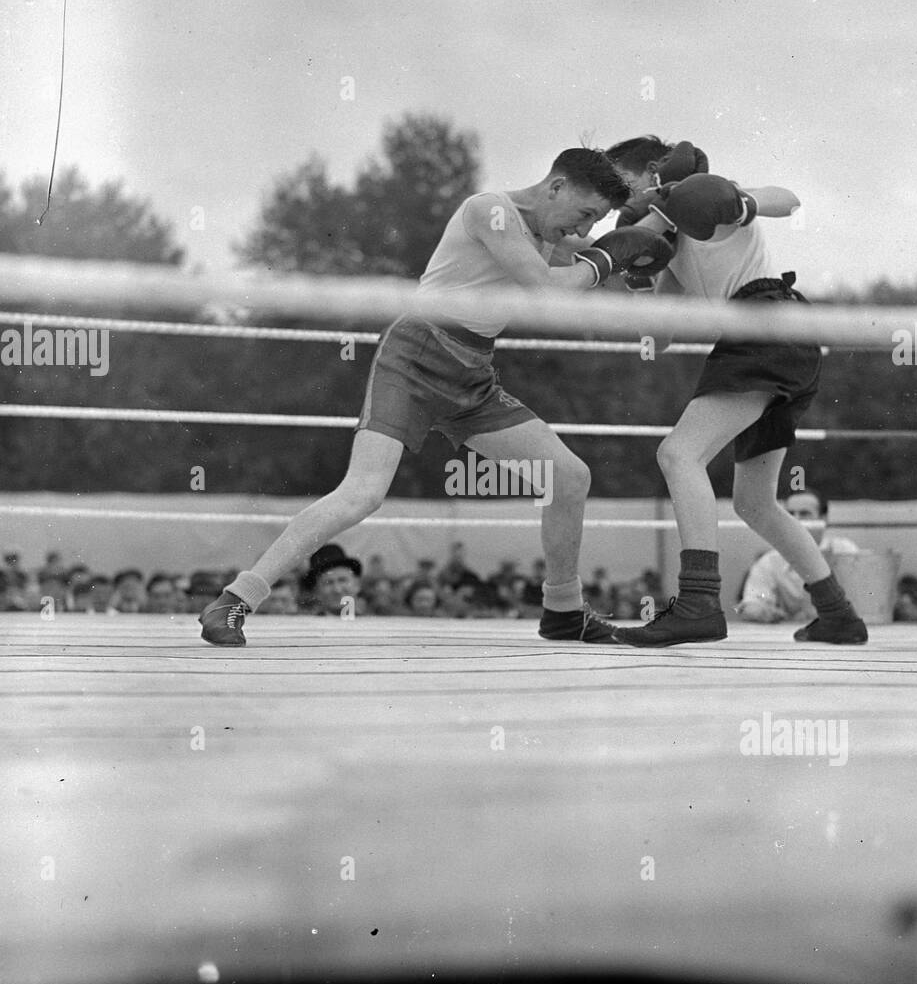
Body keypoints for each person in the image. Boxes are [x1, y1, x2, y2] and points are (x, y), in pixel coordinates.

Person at [199, 147, 672, 646]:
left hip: (473, 374)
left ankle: (563, 610)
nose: (581, 231)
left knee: (569, 477)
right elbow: (549, 288)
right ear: (556, 187)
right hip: (416, 357)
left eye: (593, 223)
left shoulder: (545, 237)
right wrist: (605, 256)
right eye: (584, 215)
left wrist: (639, 260)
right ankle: (235, 599)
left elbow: (555, 302)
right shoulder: (488, 210)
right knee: (363, 493)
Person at [603, 137, 867, 647]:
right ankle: (838, 614)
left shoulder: (705, 199)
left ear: (650, 175)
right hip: (773, 338)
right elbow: (661, 338)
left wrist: (743, 201)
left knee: (679, 454)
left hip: (766, 323)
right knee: (755, 502)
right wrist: (639, 280)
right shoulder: (671, 246)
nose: (619, 199)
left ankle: (700, 602)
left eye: (623, 184)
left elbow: (787, 199)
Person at [737, 490, 859, 623]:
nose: (795, 520)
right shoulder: (770, 561)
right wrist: (765, 612)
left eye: (804, 514)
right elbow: (752, 606)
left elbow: (864, 604)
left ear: (823, 518)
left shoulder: (846, 551)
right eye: (789, 514)